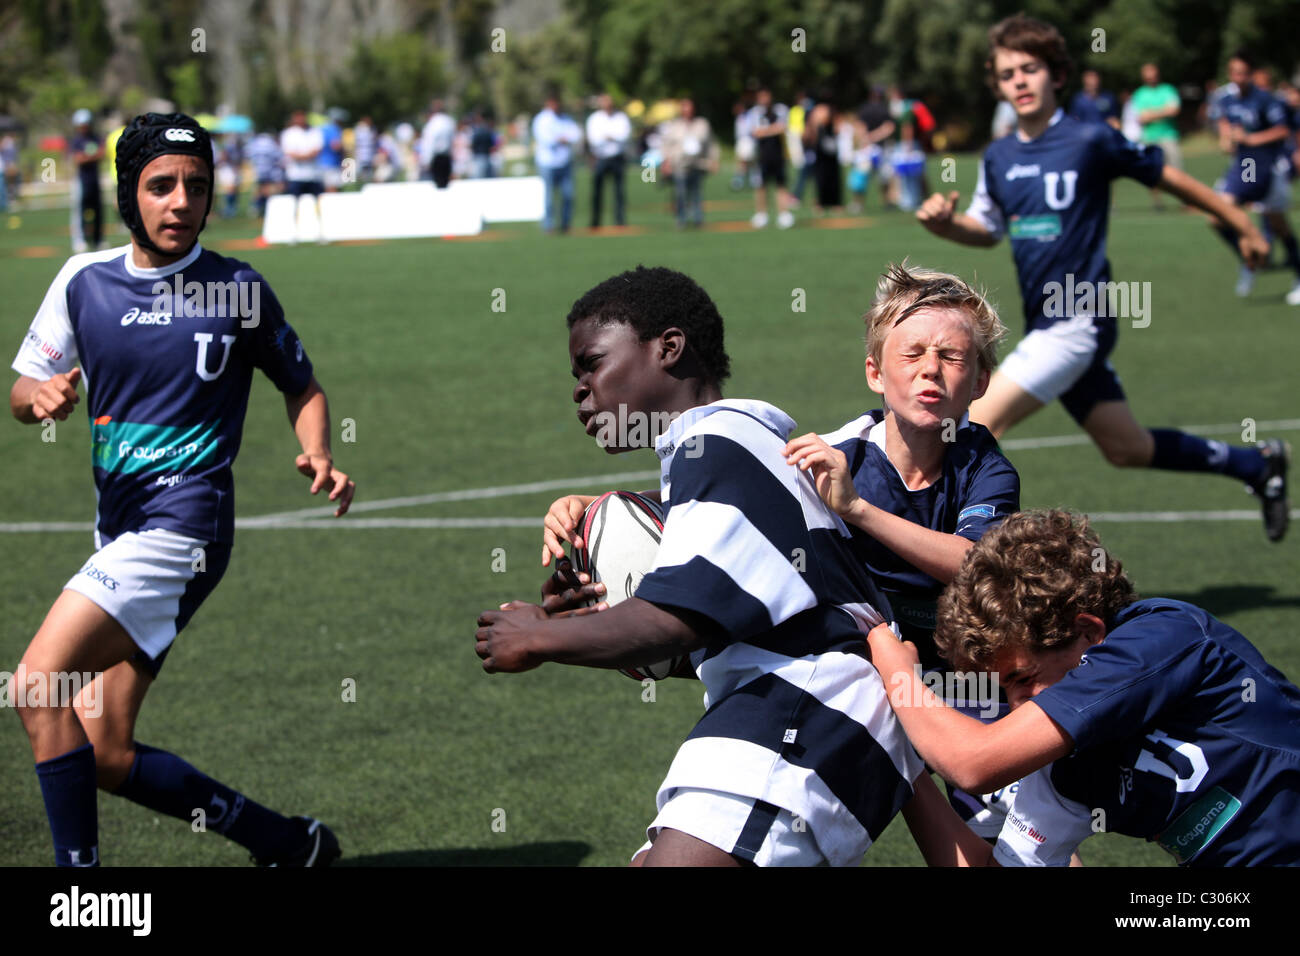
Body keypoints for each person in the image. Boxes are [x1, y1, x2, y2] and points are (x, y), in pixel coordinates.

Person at [478, 266, 925, 866]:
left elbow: (681, 617)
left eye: (592, 362)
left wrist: (542, 636)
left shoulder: (718, 442)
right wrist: (595, 623)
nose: (580, 388)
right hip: (792, 710)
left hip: (805, 710)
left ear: (668, 348)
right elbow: (711, 632)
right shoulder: (717, 451)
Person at [8, 112, 355, 867]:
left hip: (186, 525)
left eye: (195, 187)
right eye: (161, 186)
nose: (180, 202)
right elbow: (24, 383)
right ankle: (287, 843)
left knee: (37, 688)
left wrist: (318, 450)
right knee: (101, 749)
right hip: (120, 527)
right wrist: (37, 399)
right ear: (129, 193)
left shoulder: (235, 288)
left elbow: (302, 384)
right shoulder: (82, 280)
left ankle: (80, 899)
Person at [916, 14, 1288, 542]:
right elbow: (987, 229)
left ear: (1057, 75)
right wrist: (947, 224)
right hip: (1046, 324)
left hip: (1079, 317)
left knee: (968, 424)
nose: (1019, 81)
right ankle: (1257, 464)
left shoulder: (1091, 138)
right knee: (1125, 447)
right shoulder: (999, 156)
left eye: (1030, 69)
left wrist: (1241, 222)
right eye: (1007, 74)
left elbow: (1170, 178)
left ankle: (966, 570)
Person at [867, 509, 1300, 867]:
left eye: (1023, 678)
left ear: (1089, 634)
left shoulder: (1163, 639)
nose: (1016, 705)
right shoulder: (1065, 761)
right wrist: (905, 767)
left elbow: (974, 764)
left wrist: (898, 675)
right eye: (1004, 688)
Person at [780, 263, 1020, 841]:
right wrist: (599, 504)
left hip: (967, 680)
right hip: (856, 678)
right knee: (789, 820)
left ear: (981, 381)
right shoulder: (835, 456)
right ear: (874, 372)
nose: (930, 370)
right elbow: (728, 499)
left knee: (1022, 845)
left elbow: (975, 564)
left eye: (952, 357)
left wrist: (858, 509)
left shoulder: (985, 466)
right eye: (911, 354)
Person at [1208, 52, 1300, 306]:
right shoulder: (1226, 99)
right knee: (1216, 217)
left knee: (1280, 227)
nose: (1238, 77)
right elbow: (1225, 126)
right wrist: (1226, 139)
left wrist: (1251, 139)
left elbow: (1283, 130)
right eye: (1233, 72)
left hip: (1267, 167)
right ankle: (1250, 262)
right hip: (1244, 166)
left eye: (1242, 72)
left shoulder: (1265, 99)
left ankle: (1295, 274)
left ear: (1250, 74)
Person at [659, 98, 719, 229]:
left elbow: (711, 143)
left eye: (689, 107)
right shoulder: (674, 125)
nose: (687, 110)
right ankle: (681, 219)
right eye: (685, 107)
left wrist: (714, 160)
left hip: (698, 163)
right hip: (680, 164)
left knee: (697, 192)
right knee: (680, 192)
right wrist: (666, 162)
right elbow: (666, 145)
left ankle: (698, 219)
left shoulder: (702, 124)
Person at [1132, 62, 1182, 210]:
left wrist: (1152, 114)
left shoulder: (1168, 89)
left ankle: (1184, 201)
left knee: (1177, 170)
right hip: (1149, 138)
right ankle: (1158, 203)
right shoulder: (1139, 94)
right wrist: (1163, 111)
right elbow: (1141, 118)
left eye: (1153, 75)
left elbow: (1174, 110)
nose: (1151, 78)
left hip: (1169, 136)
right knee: (1152, 172)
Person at [532, 91, 580, 233]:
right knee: (549, 197)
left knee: (568, 194)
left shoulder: (566, 119)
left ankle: (566, 224)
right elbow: (545, 139)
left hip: (565, 161)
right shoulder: (541, 120)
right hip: (547, 162)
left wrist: (562, 138)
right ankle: (549, 225)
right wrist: (561, 139)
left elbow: (575, 135)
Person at [747, 88, 796, 229]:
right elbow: (756, 132)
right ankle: (761, 214)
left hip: (779, 154)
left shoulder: (780, 109)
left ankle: (783, 214)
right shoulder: (755, 113)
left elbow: (783, 127)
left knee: (781, 184)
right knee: (761, 185)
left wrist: (766, 130)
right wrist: (773, 130)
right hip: (762, 155)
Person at [586, 93, 631, 228]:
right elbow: (594, 138)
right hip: (600, 157)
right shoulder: (594, 119)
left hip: (617, 157)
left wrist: (609, 136)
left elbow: (624, 135)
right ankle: (595, 221)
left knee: (619, 191)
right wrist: (609, 137)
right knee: (597, 191)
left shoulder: (621, 117)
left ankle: (620, 220)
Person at [69, 109, 103, 253]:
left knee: (98, 211)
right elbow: (78, 159)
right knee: (80, 212)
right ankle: (79, 240)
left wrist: (88, 157)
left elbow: (102, 153)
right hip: (81, 181)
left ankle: (98, 240)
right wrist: (92, 156)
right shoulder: (76, 140)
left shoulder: (95, 138)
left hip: (95, 180)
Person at [279, 109, 323, 200]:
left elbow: (317, 150)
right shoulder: (288, 133)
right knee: (295, 202)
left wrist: (302, 156)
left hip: (313, 175)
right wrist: (306, 156)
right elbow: (289, 153)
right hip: (295, 175)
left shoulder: (315, 131)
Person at [421, 99, 455, 189]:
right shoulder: (449, 121)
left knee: (438, 186)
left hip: (437, 158)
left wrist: (426, 160)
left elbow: (429, 143)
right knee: (445, 185)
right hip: (446, 157)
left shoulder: (432, 124)